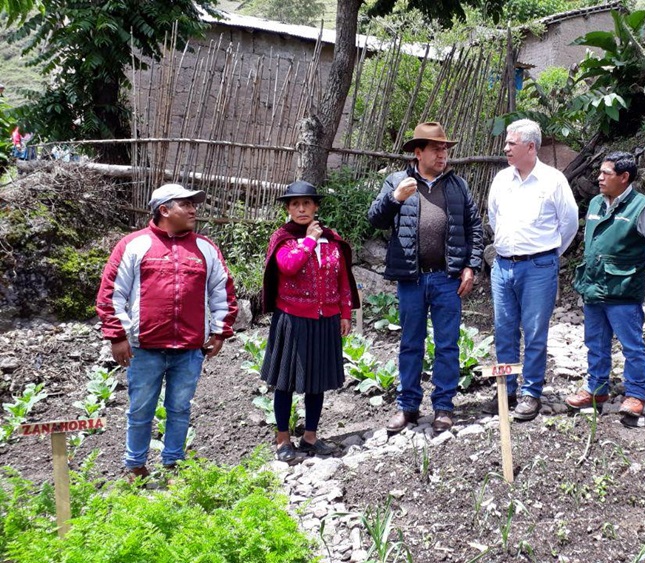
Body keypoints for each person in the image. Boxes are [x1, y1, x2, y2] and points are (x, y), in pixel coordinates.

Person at [96, 183, 238, 479]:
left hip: (188, 350)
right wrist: (118, 336)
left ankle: (174, 463)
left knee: (179, 409)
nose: (193, 209)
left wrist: (219, 332)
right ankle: (135, 466)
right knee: (139, 411)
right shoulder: (134, 245)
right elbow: (112, 293)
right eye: (184, 204)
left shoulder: (205, 248)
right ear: (164, 210)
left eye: (193, 204)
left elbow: (221, 291)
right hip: (144, 348)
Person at [367, 122, 483, 433]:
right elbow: (375, 220)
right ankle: (408, 408)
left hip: (447, 279)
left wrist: (471, 266)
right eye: (436, 148)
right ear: (418, 153)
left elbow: (474, 227)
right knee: (410, 344)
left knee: (448, 345)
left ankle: (443, 406)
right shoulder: (398, 181)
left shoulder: (457, 186)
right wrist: (394, 198)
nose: (443, 153)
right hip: (411, 279)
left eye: (445, 148)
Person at [260, 180, 360, 462]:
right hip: (292, 319)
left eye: (306, 204)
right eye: (295, 204)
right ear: (288, 209)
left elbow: (342, 279)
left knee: (317, 380)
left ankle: (310, 437)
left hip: (325, 320)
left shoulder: (332, 239)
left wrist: (345, 313)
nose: (301, 209)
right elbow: (288, 267)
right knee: (285, 381)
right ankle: (282, 439)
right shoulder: (284, 238)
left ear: (316, 207)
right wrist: (308, 241)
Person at [487, 118, 578, 421]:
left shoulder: (553, 181)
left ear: (530, 146)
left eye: (511, 143)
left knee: (536, 332)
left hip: (539, 266)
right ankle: (507, 388)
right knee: (504, 331)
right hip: (502, 267)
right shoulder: (501, 179)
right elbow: (493, 218)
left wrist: (546, 255)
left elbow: (569, 225)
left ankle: (531, 393)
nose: (505, 148)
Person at [567, 151, 645, 418]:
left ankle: (636, 393)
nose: (599, 178)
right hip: (593, 284)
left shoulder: (643, 207)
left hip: (623, 289)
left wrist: (638, 267)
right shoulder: (596, 203)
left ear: (624, 177)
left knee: (631, 344)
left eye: (605, 173)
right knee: (595, 341)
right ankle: (596, 388)